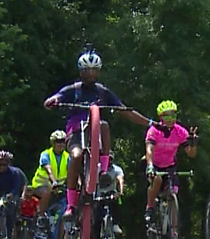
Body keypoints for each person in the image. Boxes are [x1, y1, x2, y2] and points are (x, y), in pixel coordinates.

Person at [42, 46, 154, 220]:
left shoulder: (102, 91)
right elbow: (56, 97)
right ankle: (71, 205)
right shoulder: (74, 90)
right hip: (76, 132)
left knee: (104, 124)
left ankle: (104, 168)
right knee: (76, 156)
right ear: (81, 72)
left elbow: (125, 110)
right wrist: (53, 101)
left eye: (94, 70)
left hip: (96, 133)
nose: (91, 74)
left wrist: (150, 123)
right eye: (87, 70)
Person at [144, 100, 197, 225]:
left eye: (173, 115)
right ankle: (150, 208)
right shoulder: (154, 130)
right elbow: (149, 150)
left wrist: (193, 143)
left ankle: (174, 229)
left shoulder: (180, 131)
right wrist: (150, 166)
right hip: (154, 164)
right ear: (161, 117)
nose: (170, 119)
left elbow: (191, 154)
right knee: (157, 179)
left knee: (173, 192)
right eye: (167, 116)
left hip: (170, 165)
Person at [30, 129, 69, 224]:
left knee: (63, 215)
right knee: (46, 192)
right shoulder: (46, 154)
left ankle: (61, 232)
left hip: (59, 188)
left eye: (63, 141)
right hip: (41, 185)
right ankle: (41, 217)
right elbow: (49, 170)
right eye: (58, 141)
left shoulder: (67, 156)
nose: (61, 144)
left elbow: (72, 172)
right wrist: (54, 182)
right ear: (53, 143)